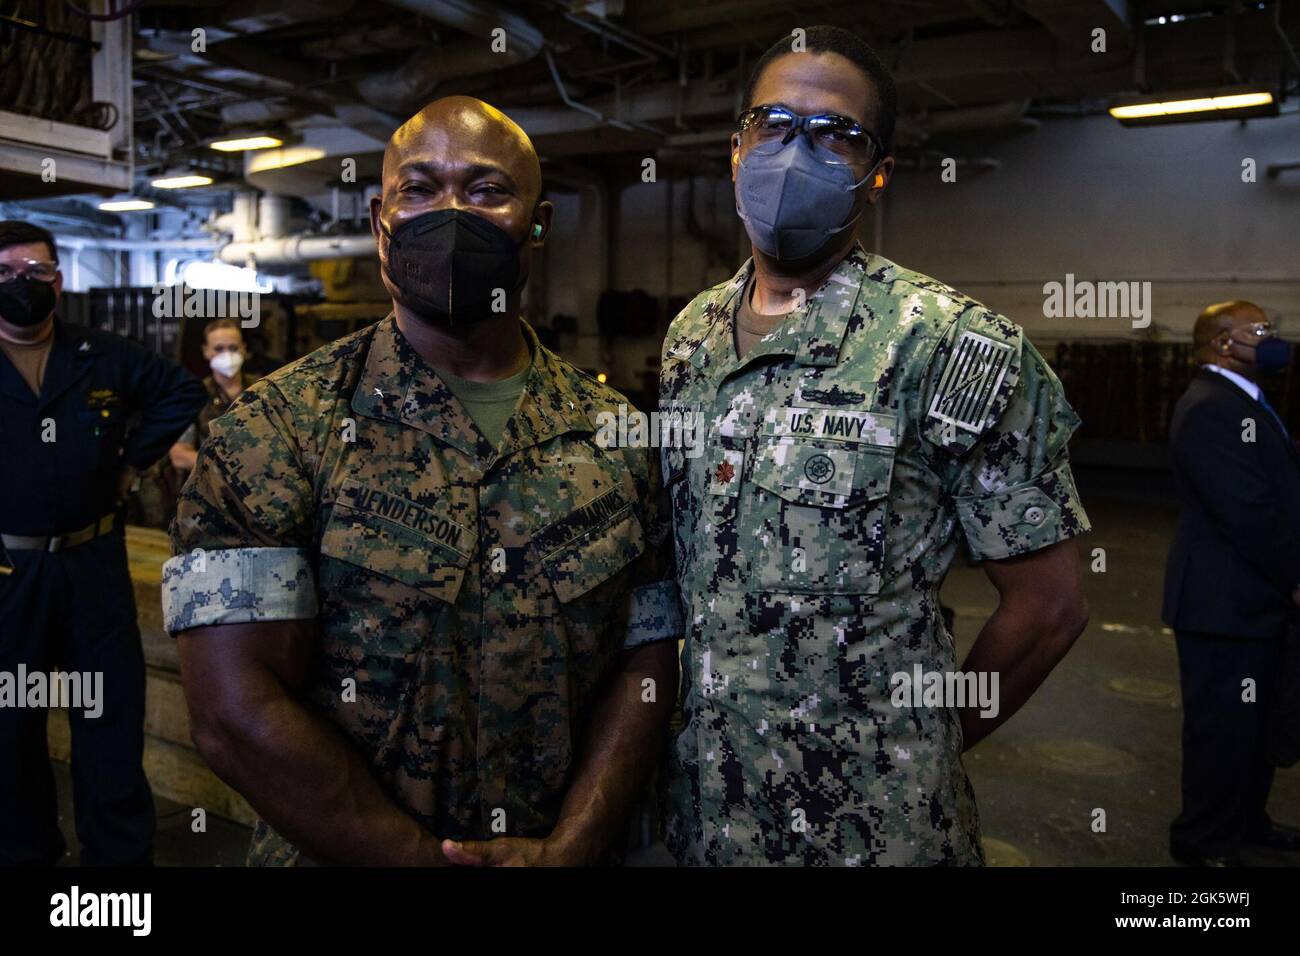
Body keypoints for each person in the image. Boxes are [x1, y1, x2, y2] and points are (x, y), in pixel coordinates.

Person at [162, 96, 681, 866]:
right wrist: (415, 859)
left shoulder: (616, 436)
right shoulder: (277, 431)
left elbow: (647, 662)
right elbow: (235, 715)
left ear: (535, 224)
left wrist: (576, 843)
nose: (450, 213)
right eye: (420, 189)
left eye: (485, 190)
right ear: (381, 221)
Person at [659, 26, 1090, 866]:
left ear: (876, 174)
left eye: (836, 134)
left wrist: (923, 744)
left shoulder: (955, 346)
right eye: (774, 124)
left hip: (876, 833)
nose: (797, 151)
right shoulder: (692, 337)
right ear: (737, 146)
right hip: (705, 815)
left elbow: (1048, 608)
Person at [0, 220, 207, 866]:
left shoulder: (102, 353)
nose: (20, 284)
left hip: (93, 565)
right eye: (5, 273)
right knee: (10, 731)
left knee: (108, 723)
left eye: (34, 273)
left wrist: (132, 463)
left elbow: (181, 391)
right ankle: (22, 854)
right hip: (10, 573)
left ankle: (117, 872)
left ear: (57, 282)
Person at [1163, 300, 1300, 867]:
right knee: (1222, 731)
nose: (1273, 339)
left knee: (1257, 724)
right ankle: (1204, 846)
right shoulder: (1211, 408)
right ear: (1223, 342)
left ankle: (1246, 823)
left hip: (1253, 599)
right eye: (1260, 330)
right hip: (1224, 605)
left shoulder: (1245, 399)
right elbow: (1247, 510)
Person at [168, 318, 258, 475]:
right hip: (214, 489)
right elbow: (179, 455)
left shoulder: (262, 389)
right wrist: (224, 470)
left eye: (233, 347)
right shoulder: (194, 395)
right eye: (219, 348)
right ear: (206, 351)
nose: (227, 354)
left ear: (243, 349)